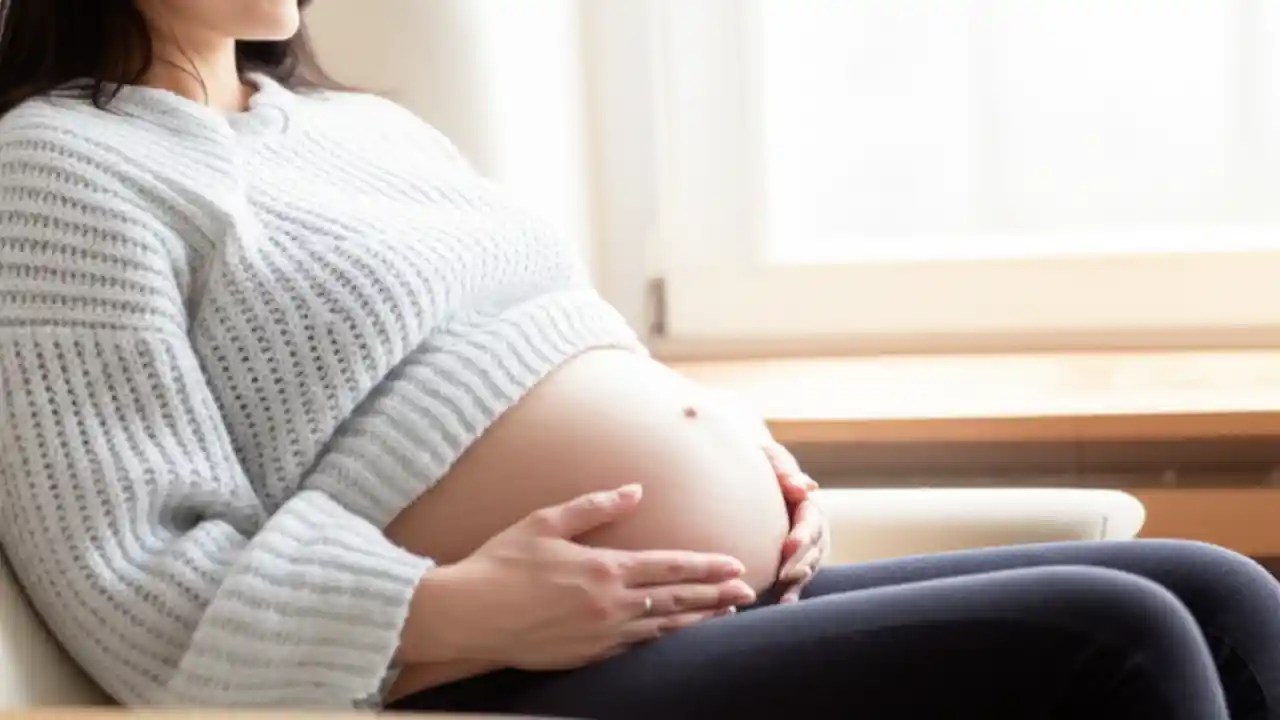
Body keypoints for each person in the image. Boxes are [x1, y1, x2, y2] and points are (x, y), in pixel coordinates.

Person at [0, 1, 1275, 718]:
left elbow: (546, 337)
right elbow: (137, 583)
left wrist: (729, 446)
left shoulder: (356, 129)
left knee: (1219, 590)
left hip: (661, 614)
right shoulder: (60, 170)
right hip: (486, 677)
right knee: (1113, 641)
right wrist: (441, 610)